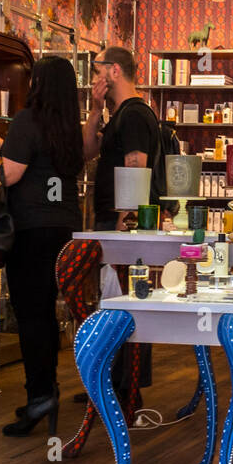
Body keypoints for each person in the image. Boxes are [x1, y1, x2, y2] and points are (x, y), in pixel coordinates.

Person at [0, 56, 84, 436]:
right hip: (64, 231)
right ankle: (46, 391)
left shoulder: (28, 119)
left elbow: (8, 173)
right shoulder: (69, 128)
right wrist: (1, 142)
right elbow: (41, 163)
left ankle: (40, 396)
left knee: (31, 315)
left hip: (31, 232)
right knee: (48, 313)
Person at [82, 46, 164, 402]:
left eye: (97, 69)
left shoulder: (133, 115)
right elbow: (86, 151)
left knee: (125, 300)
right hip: (112, 219)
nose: (94, 76)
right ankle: (113, 382)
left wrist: (123, 227)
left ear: (114, 70)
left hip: (122, 223)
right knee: (113, 299)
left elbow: (136, 170)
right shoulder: (119, 115)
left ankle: (124, 385)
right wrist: (95, 110)